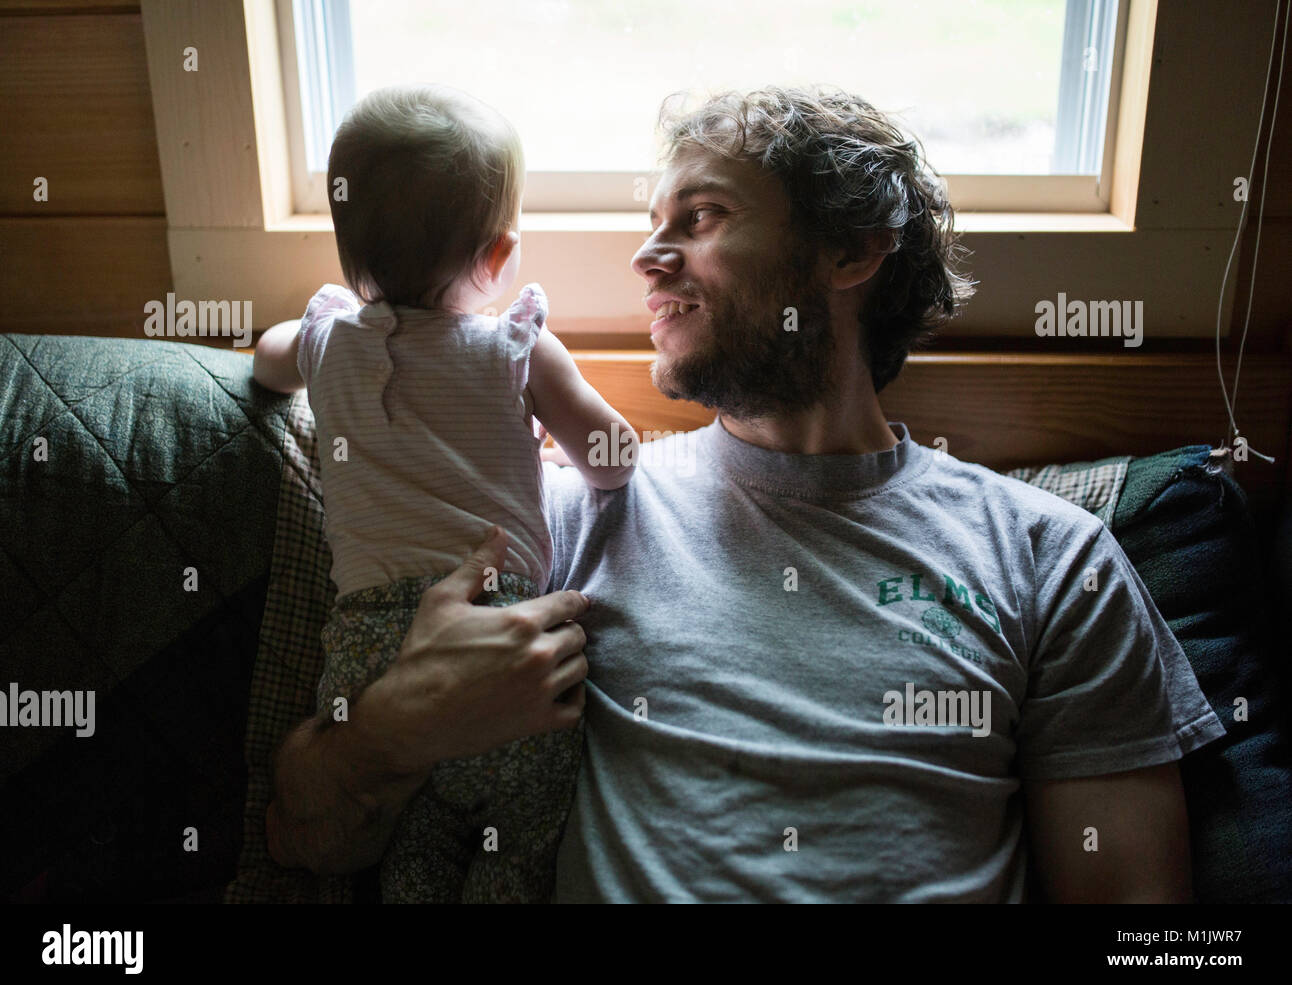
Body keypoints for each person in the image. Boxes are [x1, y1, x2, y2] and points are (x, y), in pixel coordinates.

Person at [266, 85, 1226, 902]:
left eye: (701, 217)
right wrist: (390, 729)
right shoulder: (558, 519)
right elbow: (304, 839)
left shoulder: (1050, 558)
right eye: (654, 225)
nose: (647, 258)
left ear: (851, 251)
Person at [251, 85, 636, 902]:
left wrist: (310, 340)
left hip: (368, 660)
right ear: (496, 257)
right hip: (508, 644)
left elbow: (264, 363)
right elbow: (611, 462)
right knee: (517, 843)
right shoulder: (514, 350)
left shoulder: (327, 340)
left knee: (415, 847)